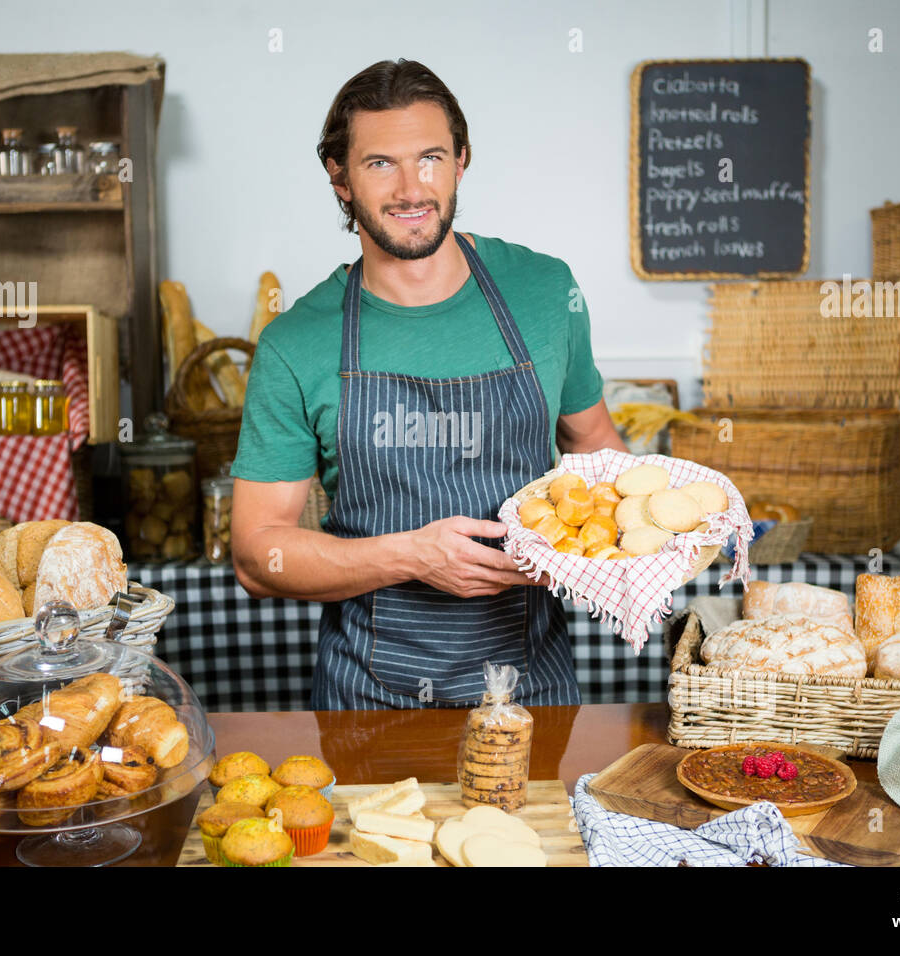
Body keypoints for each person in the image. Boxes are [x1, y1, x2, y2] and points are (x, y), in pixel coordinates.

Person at [231, 59, 624, 710]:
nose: (412, 188)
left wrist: (600, 546)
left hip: (532, 692)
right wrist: (412, 557)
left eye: (432, 157)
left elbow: (596, 449)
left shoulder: (548, 293)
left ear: (462, 161)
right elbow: (257, 555)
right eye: (381, 163)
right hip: (369, 701)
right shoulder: (294, 343)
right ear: (340, 178)